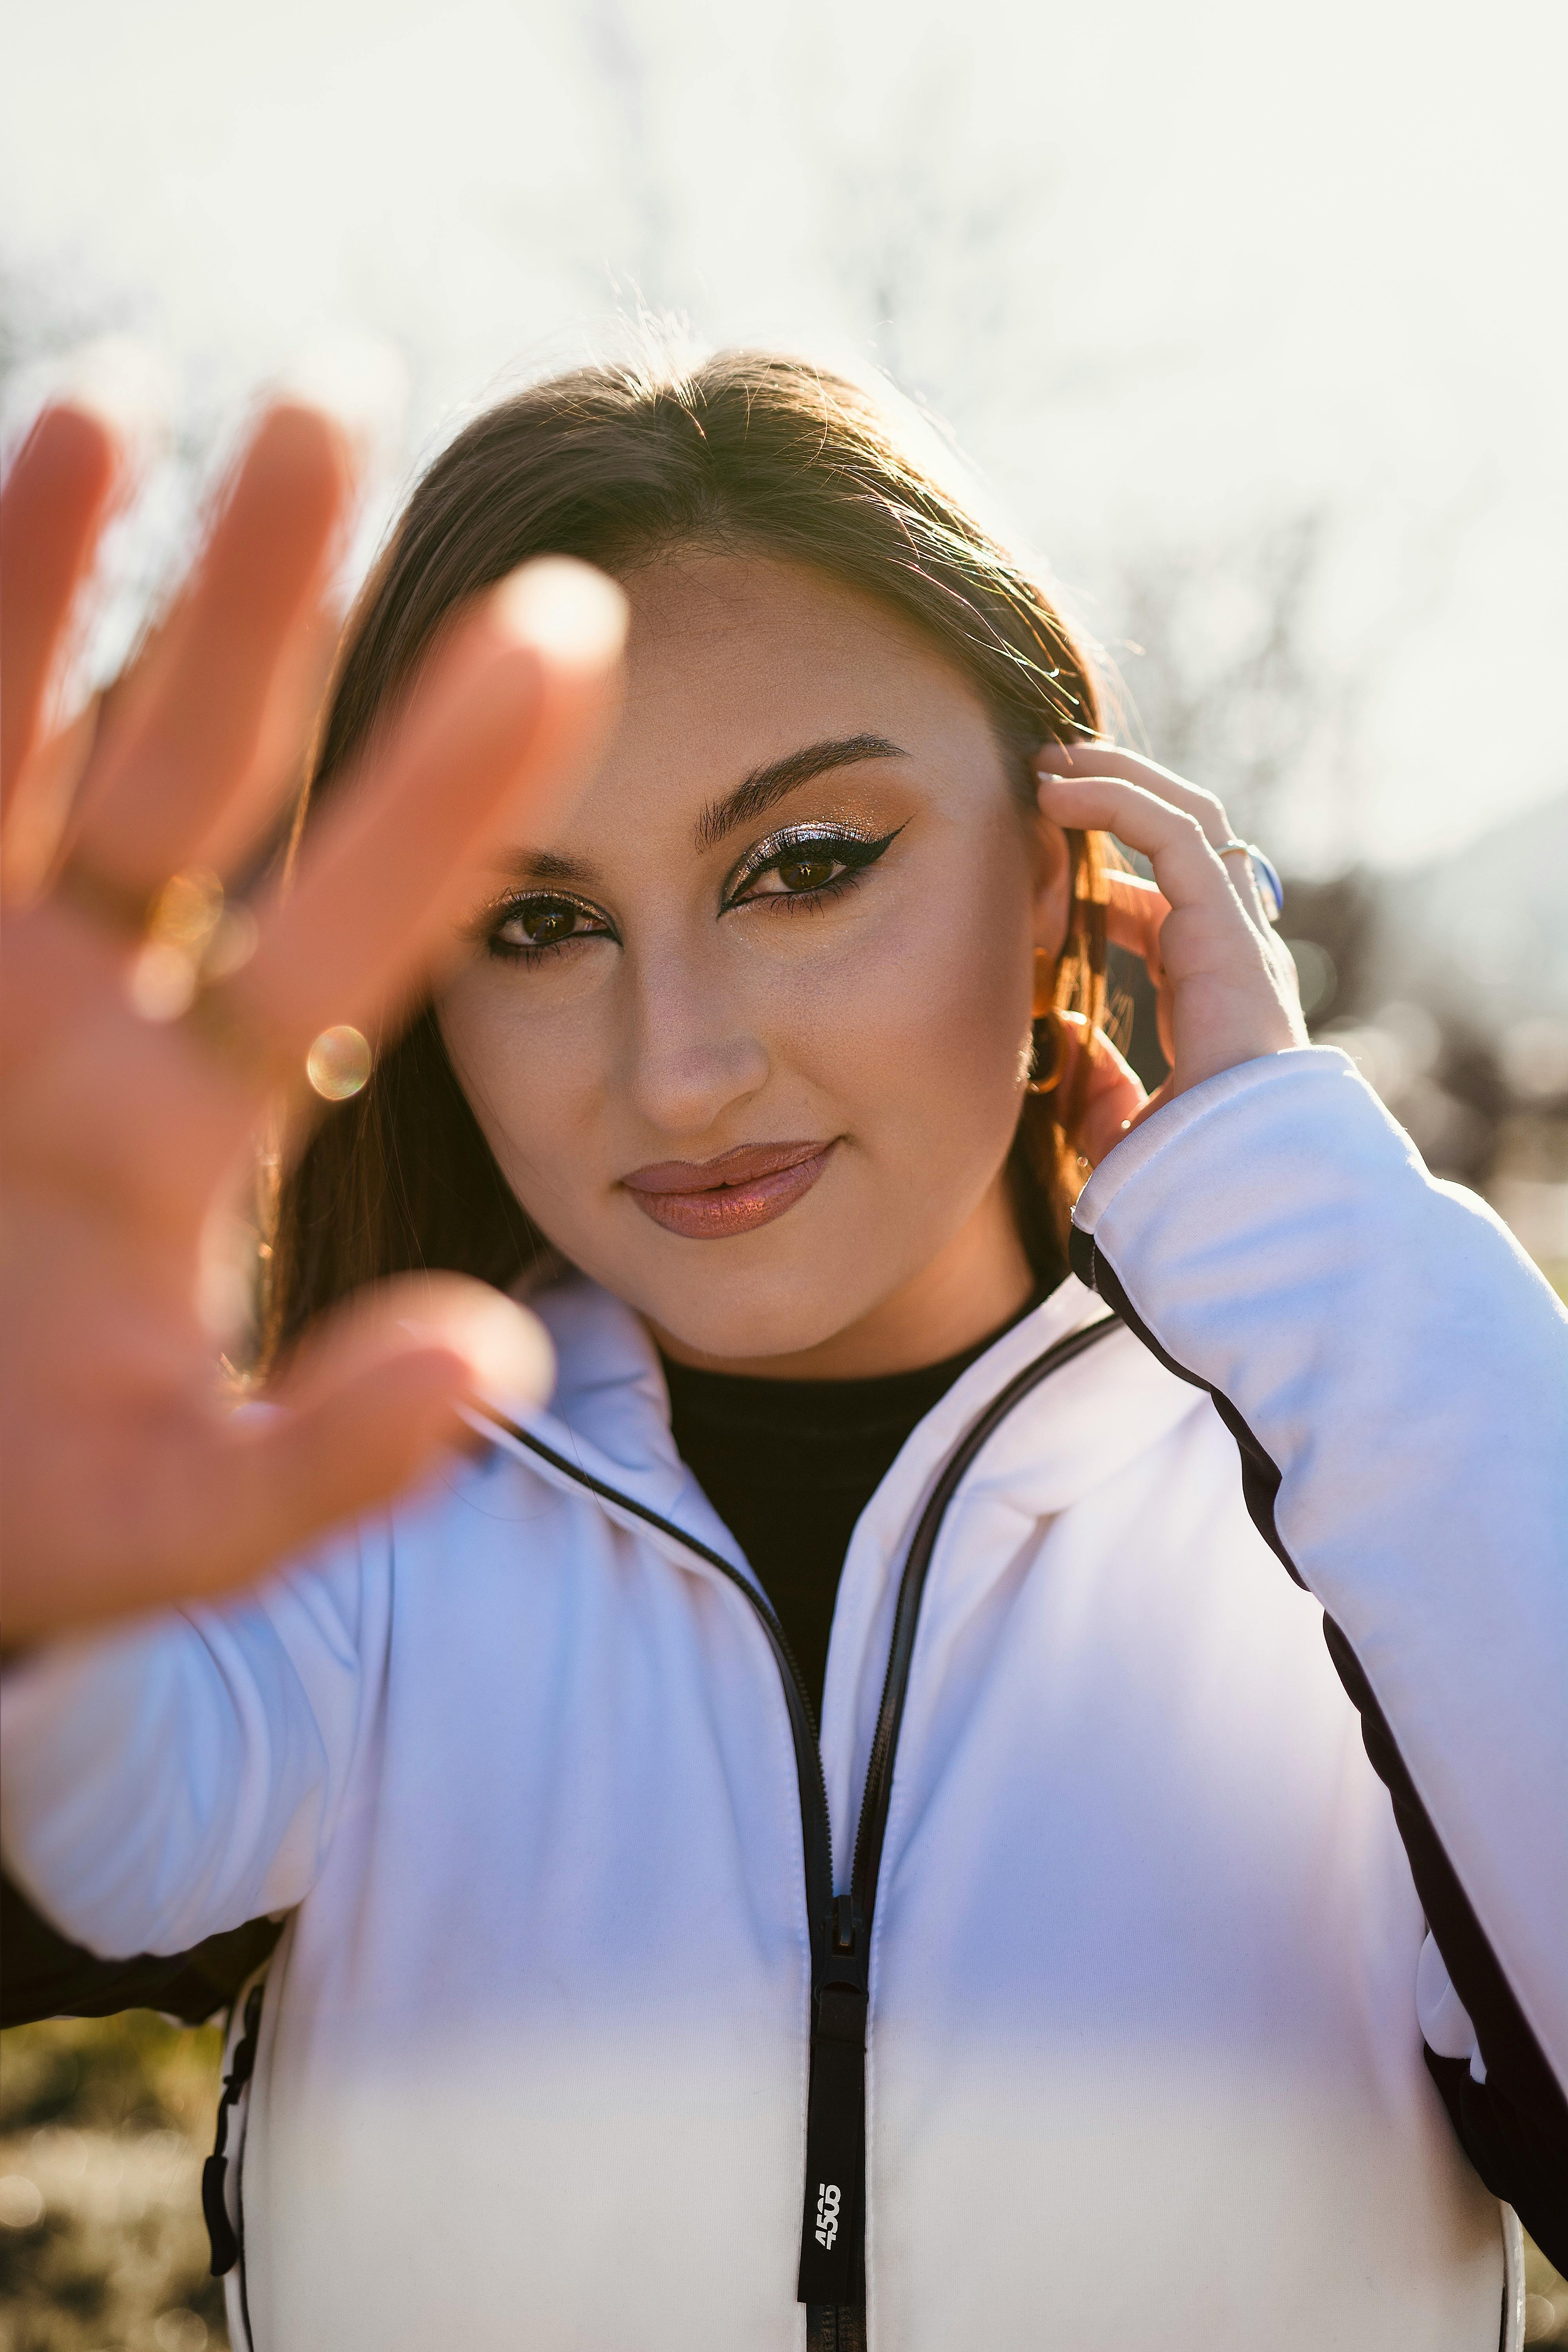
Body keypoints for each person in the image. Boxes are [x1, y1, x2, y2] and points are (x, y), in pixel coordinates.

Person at [0, 349, 1563, 2352]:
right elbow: (82, 1832)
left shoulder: (1367, 1508)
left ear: (1063, 876)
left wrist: (1310, 1230)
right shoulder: (350, 1534)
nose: (681, 1069)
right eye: (537, 926)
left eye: (807, 865)